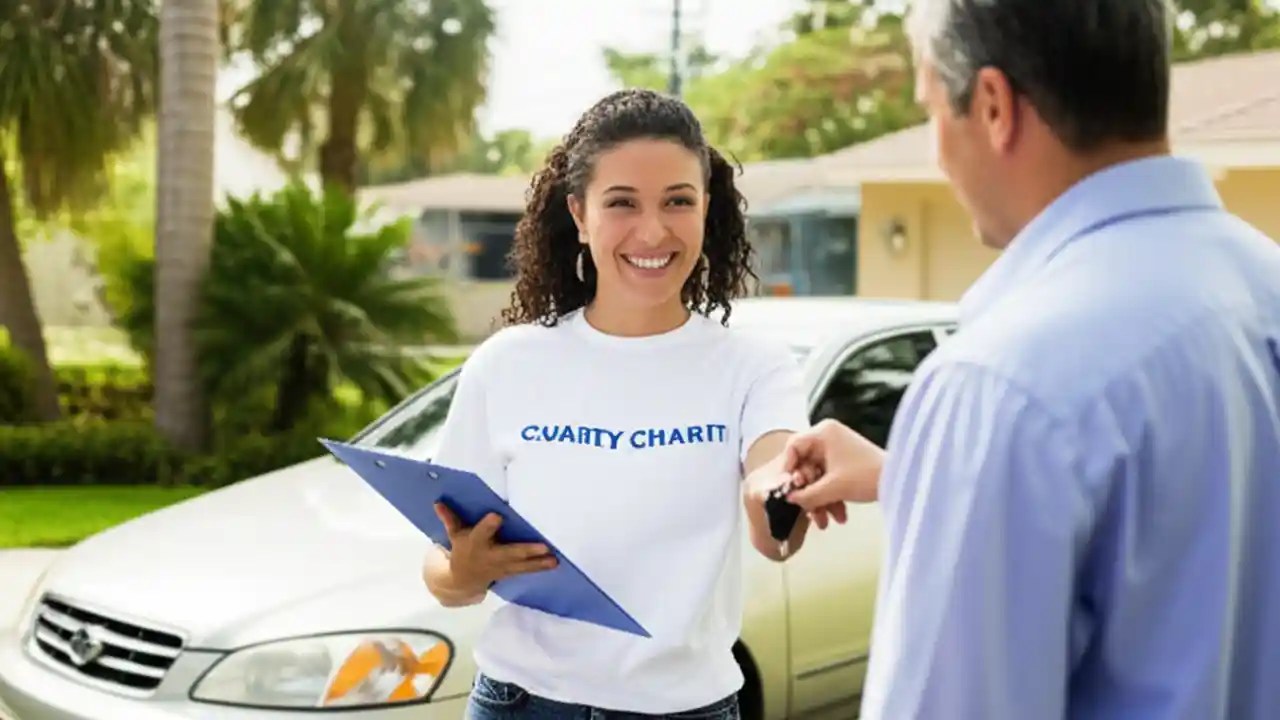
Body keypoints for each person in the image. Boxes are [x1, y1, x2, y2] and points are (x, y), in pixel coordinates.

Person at [772, 0, 1280, 718]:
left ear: (992, 105)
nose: (936, 152)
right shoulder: (1261, 292)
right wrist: (917, 474)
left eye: (929, 114)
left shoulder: (1000, 383)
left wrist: (960, 462)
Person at [421, 88, 813, 719]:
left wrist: (780, 494)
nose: (652, 231)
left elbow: (777, 527)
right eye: (622, 203)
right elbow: (443, 571)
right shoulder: (508, 364)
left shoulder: (754, 367)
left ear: (706, 208)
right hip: (520, 704)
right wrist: (463, 573)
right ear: (579, 214)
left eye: (678, 202)